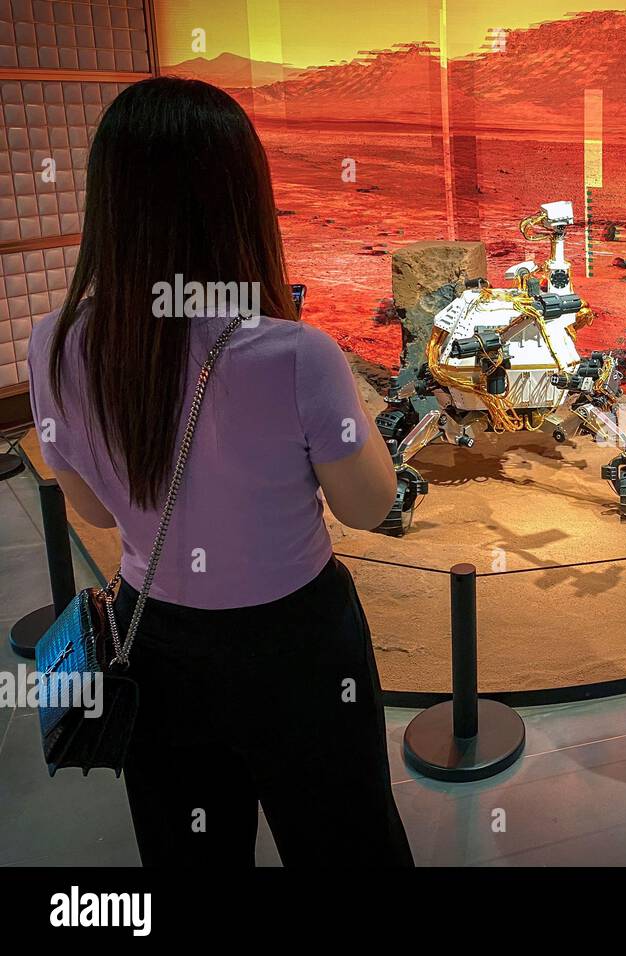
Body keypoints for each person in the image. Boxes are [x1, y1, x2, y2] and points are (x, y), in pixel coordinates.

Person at [26, 77, 413, 866]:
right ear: (240, 198)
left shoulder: (53, 343)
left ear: (112, 203)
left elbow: (96, 515)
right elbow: (370, 506)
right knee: (346, 843)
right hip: (298, 644)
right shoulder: (296, 353)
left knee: (189, 851)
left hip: (153, 639)